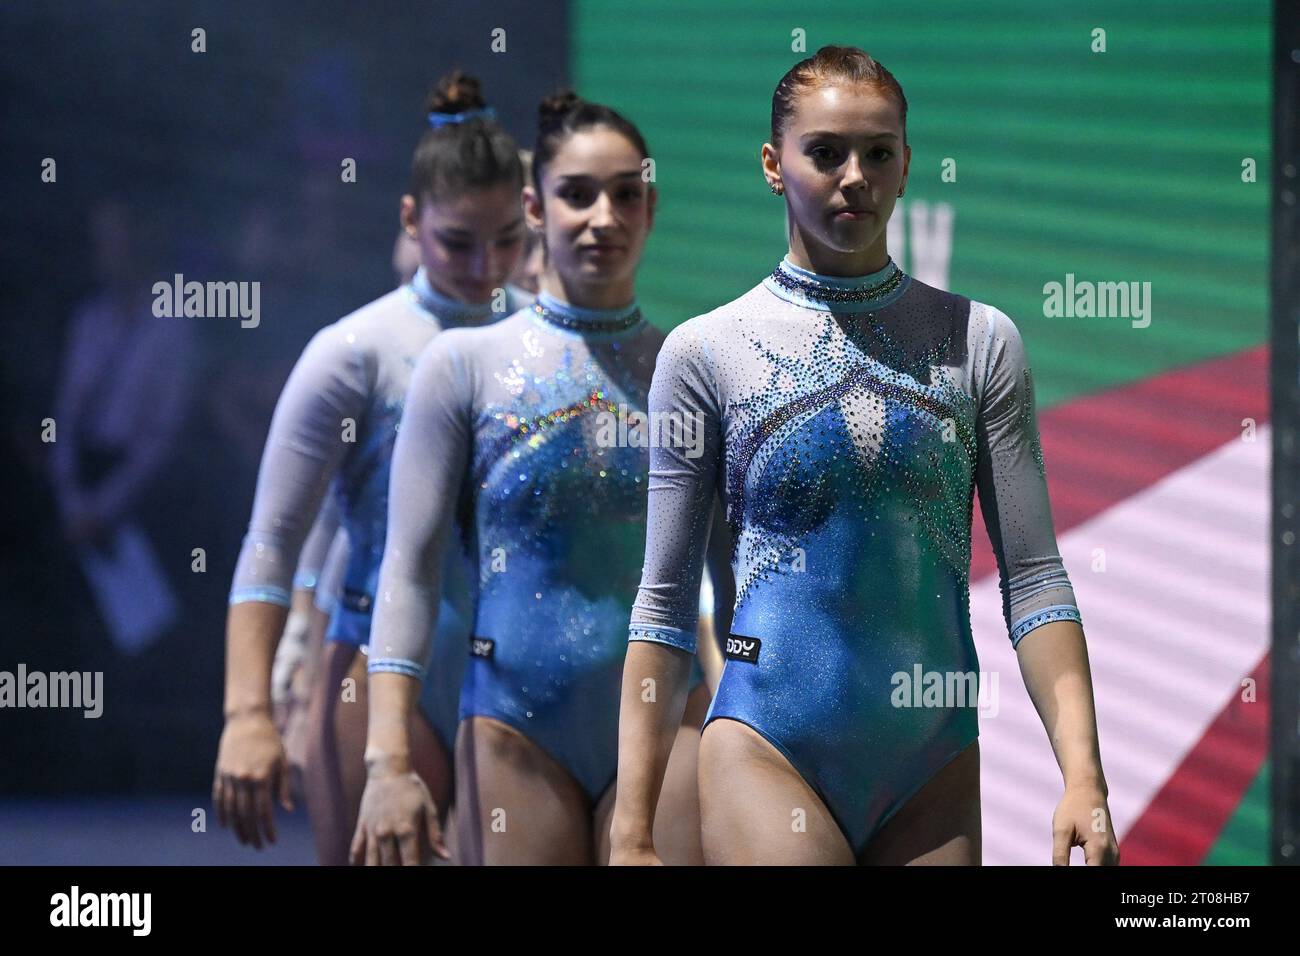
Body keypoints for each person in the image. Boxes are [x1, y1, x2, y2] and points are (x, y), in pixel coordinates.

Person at [609, 45, 1118, 866]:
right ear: (774, 165)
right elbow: (664, 600)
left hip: (932, 765)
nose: (855, 176)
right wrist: (632, 831)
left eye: (878, 152)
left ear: (909, 164)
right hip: (767, 748)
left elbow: (1034, 577)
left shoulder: (980, 341)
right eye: (826, 152)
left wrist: (1083, 777)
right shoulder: (707, 353)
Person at [351, 91, 727, 866]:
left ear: (651, 208)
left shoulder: (689, 372)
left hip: (669, 728)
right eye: (577, 194)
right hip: (516, 731)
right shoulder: (464, 368)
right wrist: (387, 762)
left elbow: (721, 580)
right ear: (534, 206)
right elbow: (411, 572)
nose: (603, 217)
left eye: (626, 195)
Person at [213, 70, 531, 863]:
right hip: (380, 675)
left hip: (526, 680)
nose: (484, 265)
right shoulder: (353, 353)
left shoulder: (547, 346)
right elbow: (274, 541)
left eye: (506, 241)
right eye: (458, 241)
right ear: (410, 218)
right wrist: (248, 712)